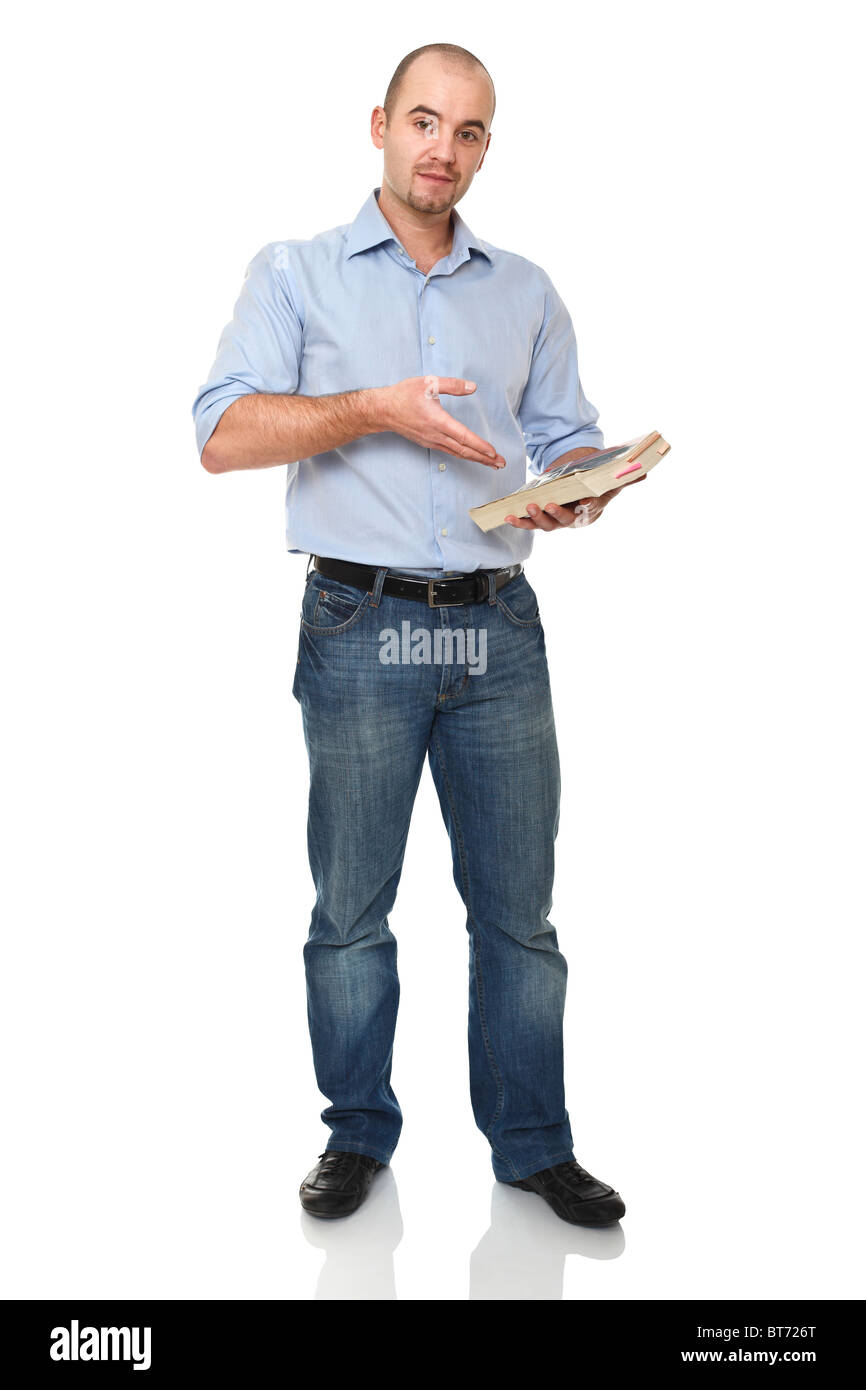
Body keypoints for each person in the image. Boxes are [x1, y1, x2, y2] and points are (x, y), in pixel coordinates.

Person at [192, 42, 635, 1228]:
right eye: (424, 122)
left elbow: (562, 436)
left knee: (517, 913)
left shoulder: (524, 290)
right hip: (360, 623)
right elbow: (223, 432)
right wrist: (371, 409)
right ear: (379, 124)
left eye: (470, 131)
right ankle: (356, 1135)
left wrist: (586, 482)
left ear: (486, 148)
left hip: (495, 632)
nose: (444, 149)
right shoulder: (295, 274)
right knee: (350, 909)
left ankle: (533, 1147)